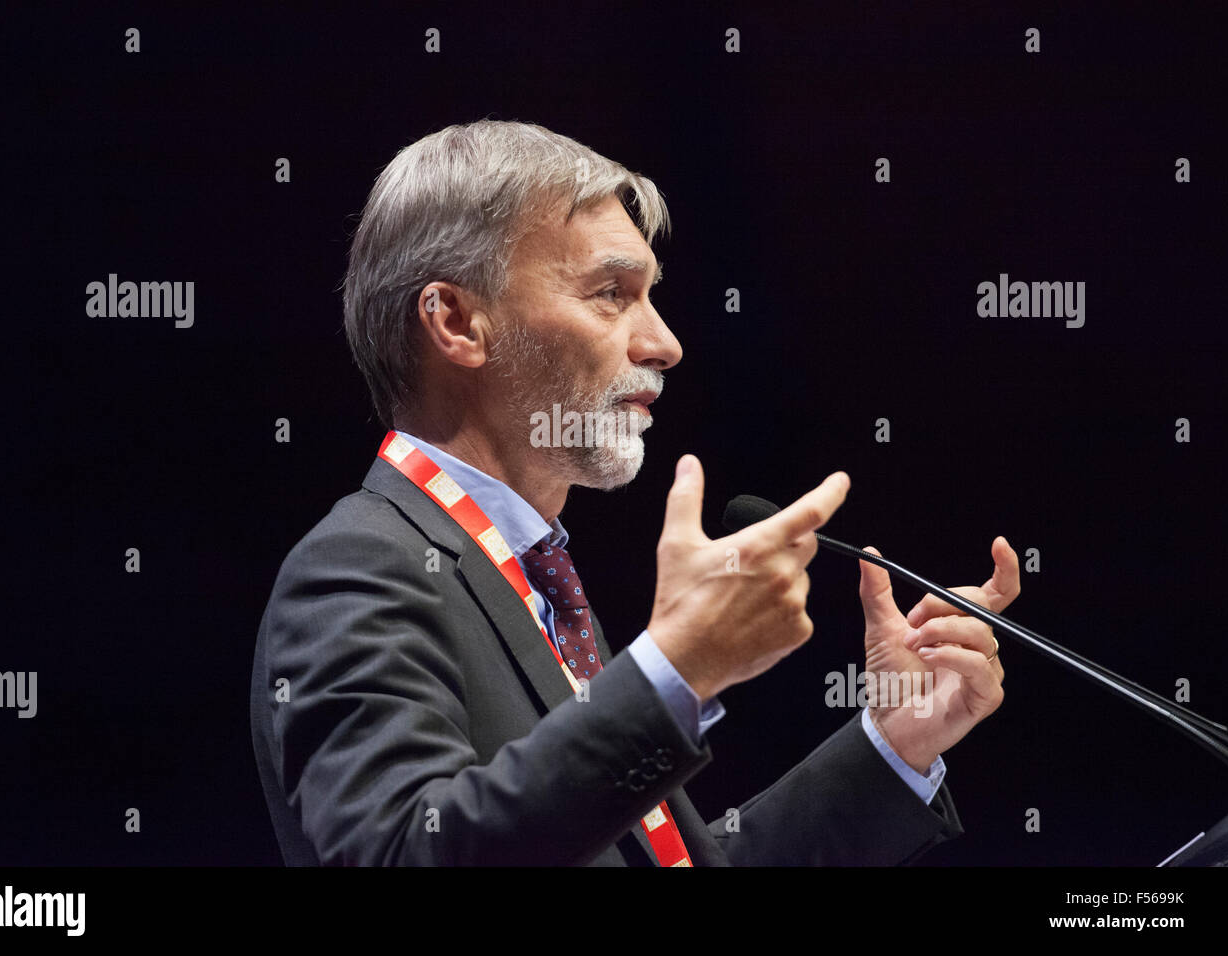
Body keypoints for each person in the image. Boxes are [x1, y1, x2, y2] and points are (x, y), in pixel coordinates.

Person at [249, 119, 1018, 865]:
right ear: (457, 321)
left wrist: (895, 744)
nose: (665, 344)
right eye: (610, 293)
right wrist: (675, 669)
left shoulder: (529, 577)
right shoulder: (358, 566)